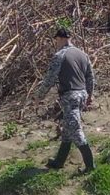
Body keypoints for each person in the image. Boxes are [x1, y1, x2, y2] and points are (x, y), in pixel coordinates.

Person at [34, 27, 95, 172]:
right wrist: (90, 95)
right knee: (68, 130)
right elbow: (90, 77)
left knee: (75, 130)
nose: (56, 43)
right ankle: (59, 162)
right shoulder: (82, 54)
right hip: (82, 95)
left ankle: (90, 166)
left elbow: (50, 79)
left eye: (56, 40)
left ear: (60, 39)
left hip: (70, 96)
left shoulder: (60, 55)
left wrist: (39, 96)